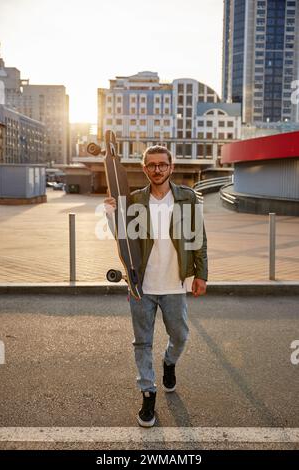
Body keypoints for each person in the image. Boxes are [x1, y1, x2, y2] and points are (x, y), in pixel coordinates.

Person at [104, 145, 208, 427]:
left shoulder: (186, 198)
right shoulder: (135, 199)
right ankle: (148, 392)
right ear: (144, 168)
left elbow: (199, 238)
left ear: (171, 167)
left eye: (162, 164)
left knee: (181, 336)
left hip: (175, 284)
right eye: (151, 165)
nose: (157, 169)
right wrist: (111, 213)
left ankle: (169, 363)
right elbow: (122, 237)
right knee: (142, 342)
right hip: (142, 286)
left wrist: (202, 275)